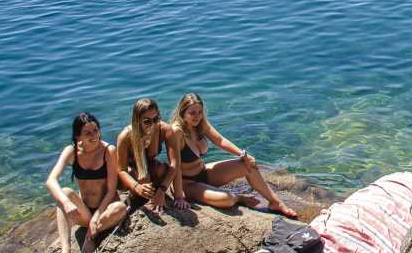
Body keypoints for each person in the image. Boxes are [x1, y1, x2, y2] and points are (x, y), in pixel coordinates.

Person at [171, 93, 299, 218]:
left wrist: (242, 154)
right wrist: (178, 196)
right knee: (228, 200)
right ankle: (239, 198)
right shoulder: (177, 132)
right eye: (192, 113)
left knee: (248, 165)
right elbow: (174, 165)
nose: (197, 116)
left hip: (204, 172)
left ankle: (276, 203)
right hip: (187, 183)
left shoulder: (200, 124)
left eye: (200, 112)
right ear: (182, 112)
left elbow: (220, 140)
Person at [45, 113, 126, 253]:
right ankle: (66, 251)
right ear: (78, 136)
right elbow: (51, 180)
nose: (94, 135)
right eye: (87, 133)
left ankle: (91, 235)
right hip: (85, 211)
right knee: (65, 192)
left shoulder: (108, 150)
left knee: (120, 208)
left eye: (96, 130)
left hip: (105, 210)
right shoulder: (72, 151)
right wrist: (66, 202)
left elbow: (111, 190)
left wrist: (96, 218)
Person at [116, 97, 181, 214]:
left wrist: (162, 190)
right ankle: (135, 199)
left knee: (162, 169)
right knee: (140, 177)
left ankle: (150, 193)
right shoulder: (125, 136)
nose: (152, 124)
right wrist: (136, 187)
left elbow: (175, 163)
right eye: (147, 121)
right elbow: (121, 170)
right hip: (132, 174)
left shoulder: (165, 130)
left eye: (156, 119)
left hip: (150, 169)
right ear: (137, 121)